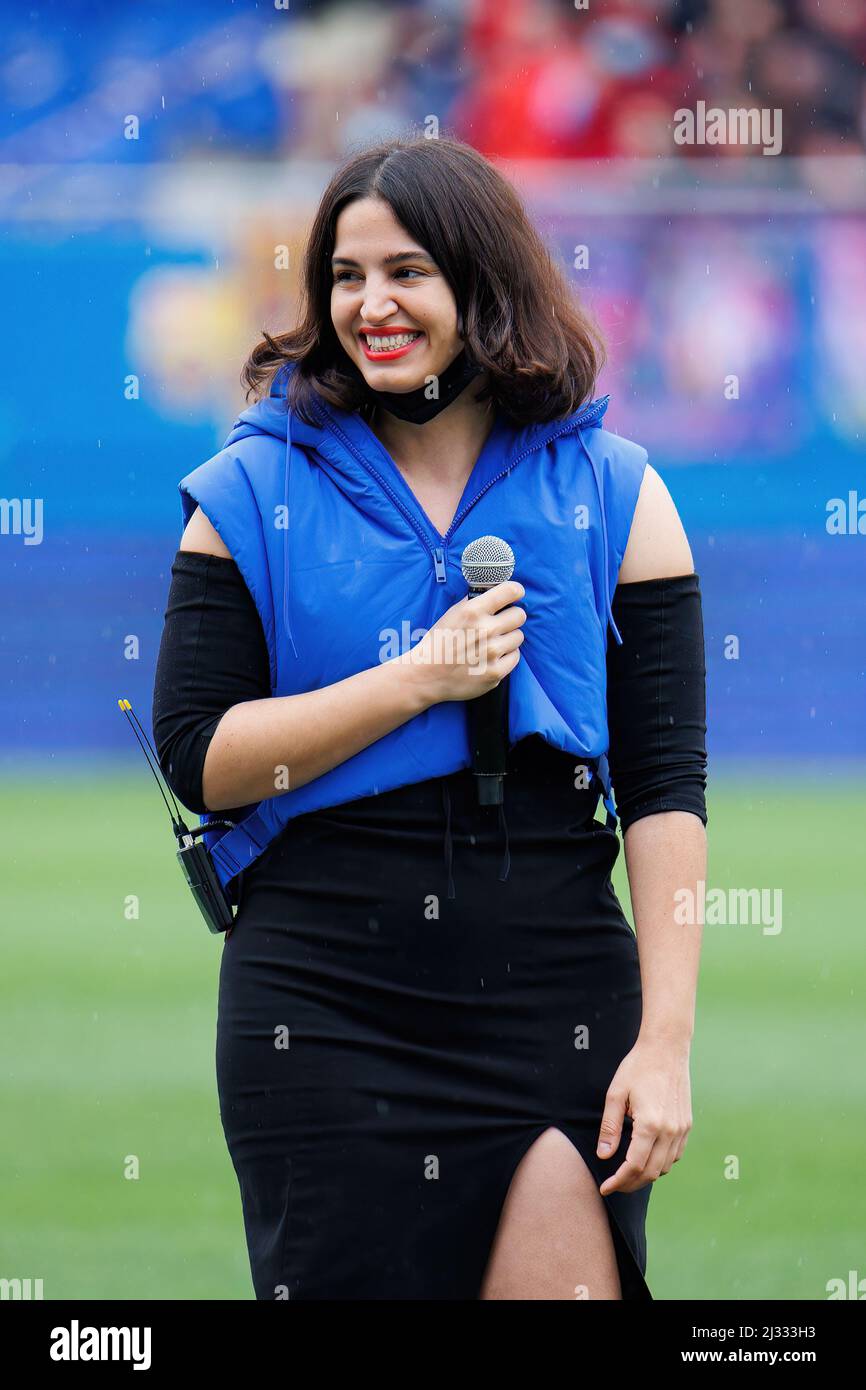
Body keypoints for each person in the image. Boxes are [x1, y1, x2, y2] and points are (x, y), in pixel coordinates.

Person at [152, 135, 707, 1301]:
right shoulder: (250, 488)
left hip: (554, 990)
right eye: (345, 277)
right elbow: (200, 758)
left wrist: (663, 1043)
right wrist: (418, 681)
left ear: (480, 280)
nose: (371, 304)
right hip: (321, 1001)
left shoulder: (618, 489)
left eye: (406, 271)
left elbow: (664, 788)